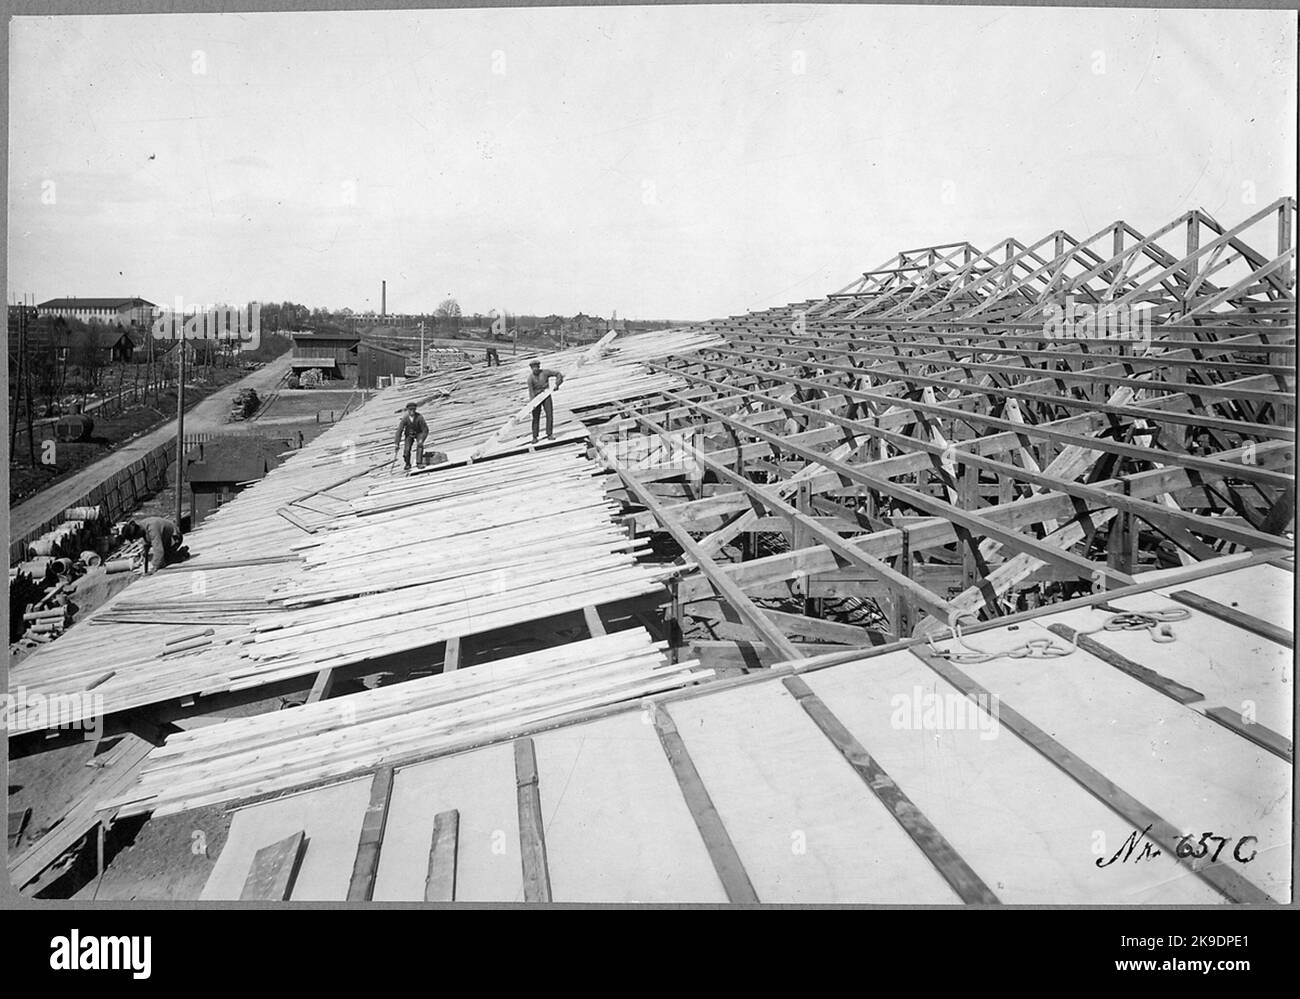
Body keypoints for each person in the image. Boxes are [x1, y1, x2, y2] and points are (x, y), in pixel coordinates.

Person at [527, 359, 564, 443]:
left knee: (549, 414)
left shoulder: (545, 372)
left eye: (536, 367)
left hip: (546, 394)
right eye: (533, 368)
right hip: (536, 398)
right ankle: (535, 436)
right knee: (535, 417)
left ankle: (549, 434)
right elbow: (531, 392)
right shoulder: (530, 378)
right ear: (531, 368)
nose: (535, 369)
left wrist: (557, 384)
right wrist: (532, 404)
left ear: (539, 367)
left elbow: (558, 374)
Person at [394, 401, 430, 470]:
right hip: (409, 434)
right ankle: (407, 464)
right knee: (406, 450)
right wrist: (396, 443)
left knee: (420, 445)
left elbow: (425, 430)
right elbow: (399, 431)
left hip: (419, 433)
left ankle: (419, 463)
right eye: (410, 410)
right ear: (408, 410)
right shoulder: (405, 418)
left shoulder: (419, 417)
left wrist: (422, 439)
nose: (412, 411)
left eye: (413, 409)